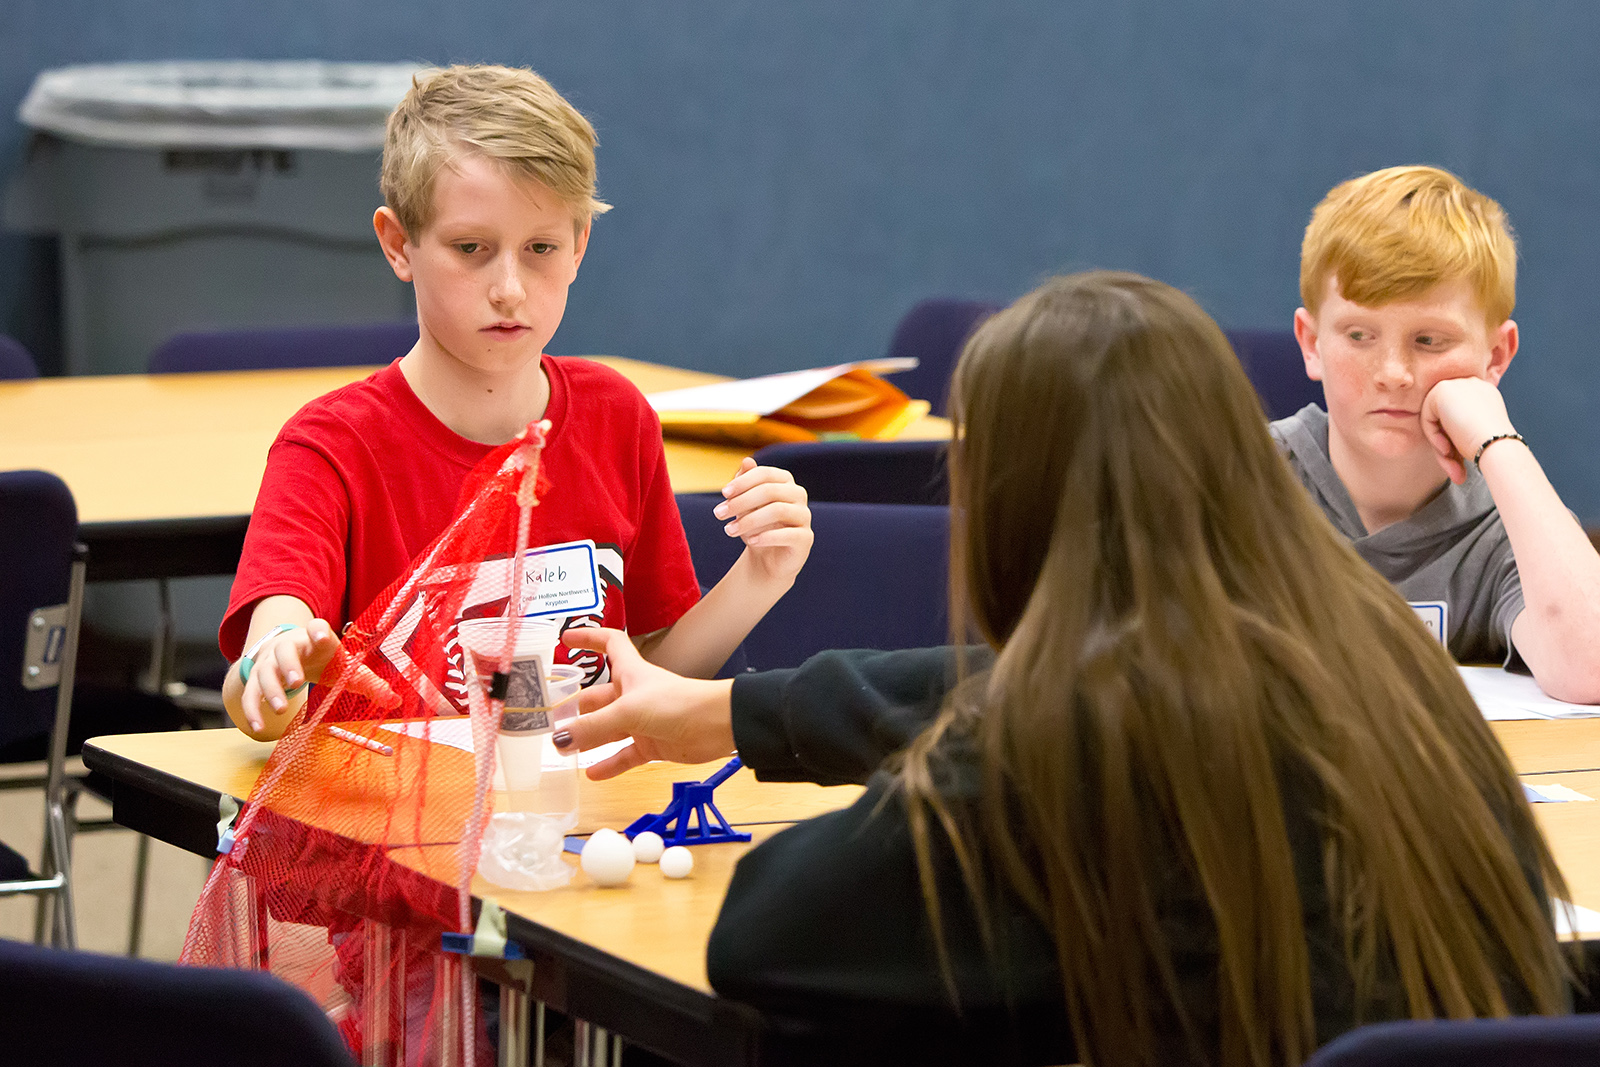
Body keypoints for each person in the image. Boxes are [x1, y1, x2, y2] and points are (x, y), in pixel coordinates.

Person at [556, 272, 1571, 1066]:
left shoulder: (1088, 733)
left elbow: (765, 932)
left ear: (1010, 501)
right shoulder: (1367, 641)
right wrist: (741, 711)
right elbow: (999, 684)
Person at [218, 65, 812, 740]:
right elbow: (262, 671)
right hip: (391, 837)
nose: (508, 287)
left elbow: (649, 680)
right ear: (397, 244)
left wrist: (760, 576)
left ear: (580, 244)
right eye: (471, 249)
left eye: (540, 249)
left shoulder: (617, 416)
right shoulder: (329, 447)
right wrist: (272, 665)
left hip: (573, 826)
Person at [1284, 164, 1600, 702]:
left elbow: (1591, 666)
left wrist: (1498, 440)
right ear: (1311, 343)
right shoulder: (1238, 480)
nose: (1392, 372)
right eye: (1359, 335)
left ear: (1495, 355)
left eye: (1428, 340)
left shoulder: (1506, 524)